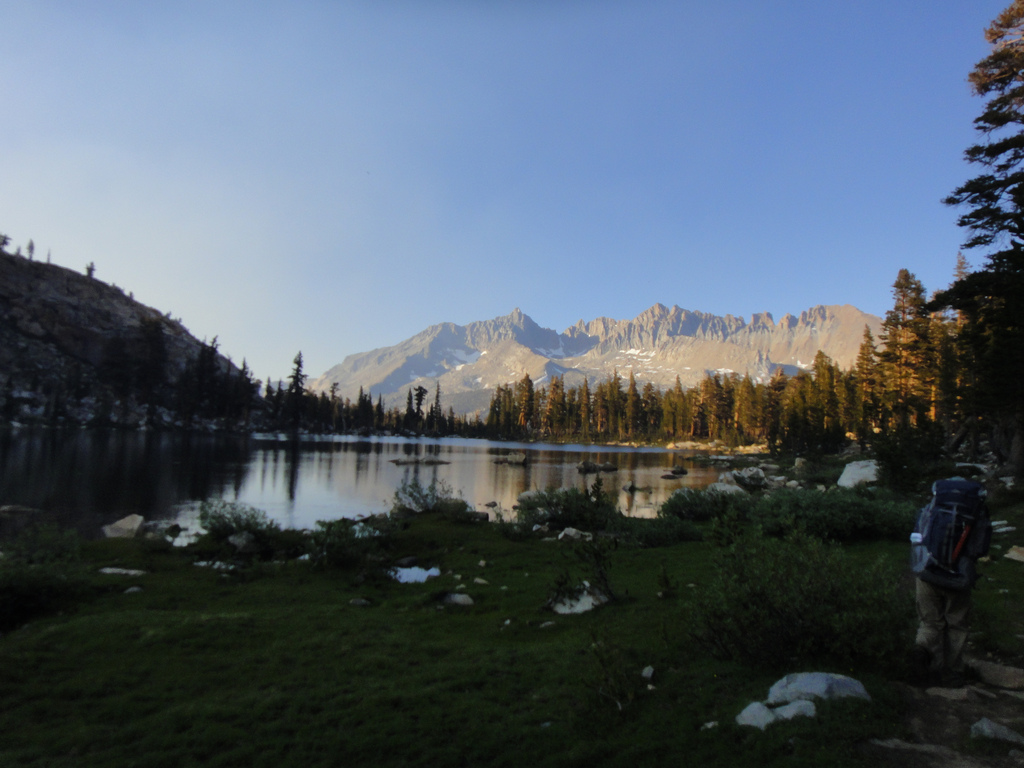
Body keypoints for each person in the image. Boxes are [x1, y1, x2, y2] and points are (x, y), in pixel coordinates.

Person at [910, 478, 991, 684]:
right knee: (957, 624)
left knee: (929, 623)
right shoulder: (976, 513)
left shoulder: (932, 507)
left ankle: (923, 655)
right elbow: (979, 548)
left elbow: (918, 536)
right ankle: (951, 672)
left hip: (927, 572)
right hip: (957, 578)